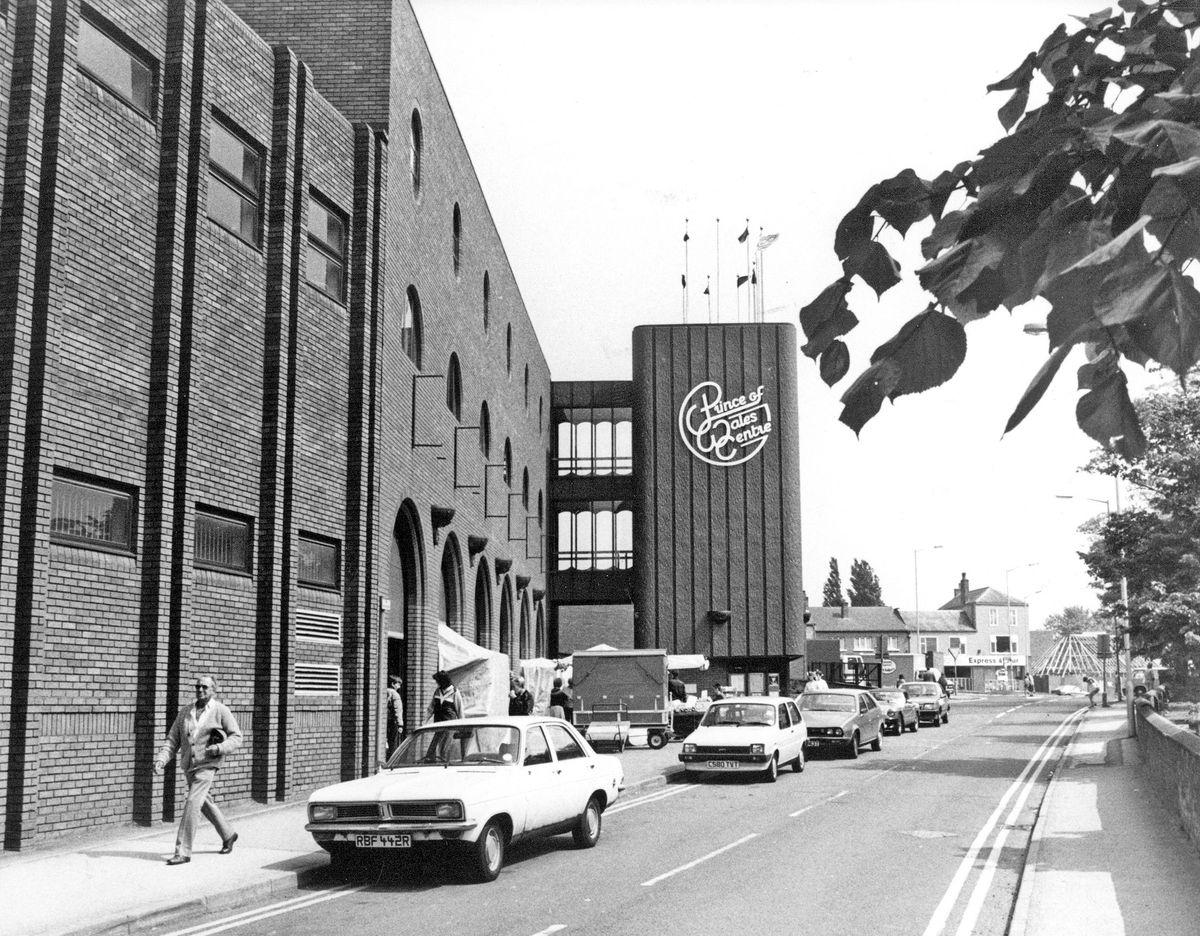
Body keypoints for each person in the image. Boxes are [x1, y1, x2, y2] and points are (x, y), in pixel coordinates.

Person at [152, 674, 243, 866]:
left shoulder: (221, 711)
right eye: (197, 687)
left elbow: (236, 736)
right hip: (190, 766)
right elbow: (173, 740)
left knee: (192, 802)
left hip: (208, 765)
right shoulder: (186, 712)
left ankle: (183, 851)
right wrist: (161, 759)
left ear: (213, 690)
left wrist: (219, 748)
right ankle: (228, 834)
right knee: (203, 801)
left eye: (205, 687)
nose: (200, 690)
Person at [386, 675, 404, 756]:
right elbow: (398, 710)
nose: (399, 687)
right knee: (393, 742)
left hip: (386, 720)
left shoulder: (385, 692)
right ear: (393, 684)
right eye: (398, 684)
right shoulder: (395, 694)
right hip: (393, 721)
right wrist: (400, 724)